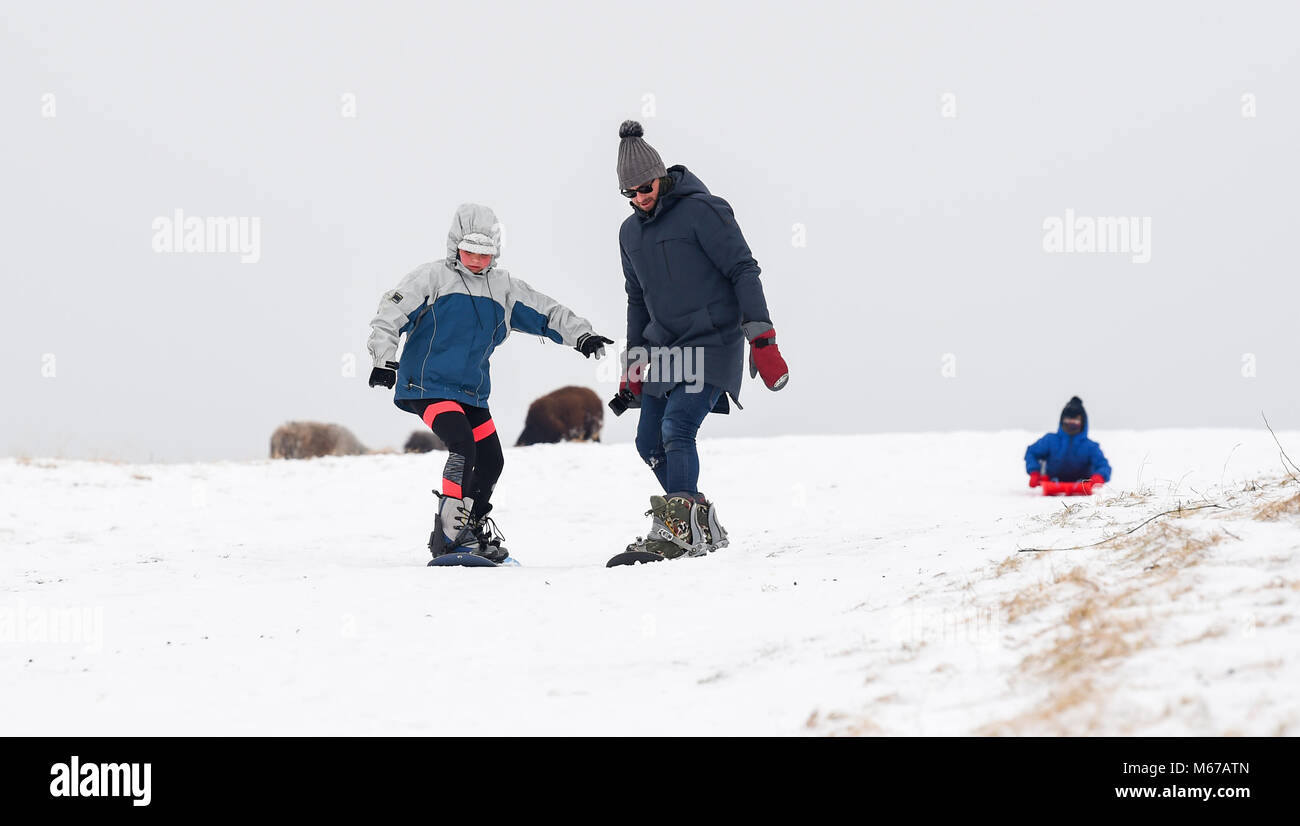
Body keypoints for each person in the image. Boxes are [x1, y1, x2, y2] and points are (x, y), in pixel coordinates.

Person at [367, 203, 612, 562]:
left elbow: (547, 311)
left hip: (471, 393)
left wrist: (582, 335)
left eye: (485, 254)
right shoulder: (432, 278)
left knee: (492, 460)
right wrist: (384, 360)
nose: (477, 260)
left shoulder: (503, 288)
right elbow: (390, 315)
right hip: (427, 385)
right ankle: (449, 534)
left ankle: (472, 525)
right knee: (462, 446)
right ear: (455, 246)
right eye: (470, 252)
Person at [614, 121, 789, 558]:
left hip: (712, 342)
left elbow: (742, 269)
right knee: (648, 442)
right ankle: (698, 521)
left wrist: (762, 338)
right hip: (665, 349)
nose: (640, 197)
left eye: (646, 186)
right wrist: (634, 361)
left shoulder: (704, 211)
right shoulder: (629, 233)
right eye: (630, 193)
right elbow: (637, 299)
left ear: (662, 176)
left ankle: (677, 529)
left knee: (678, 427)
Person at [1025, 396, 1112, 490]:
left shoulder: (1090, 446)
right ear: (1062, 421)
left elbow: (1103, 465)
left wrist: (1099, 476)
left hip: (1083, 487)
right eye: (1068, 419)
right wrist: (1034, 472)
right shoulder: (1050, 440)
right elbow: (1031, 453)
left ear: (1082, 423)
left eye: (1075, 420)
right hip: (1051, 484)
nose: (1071, 423)